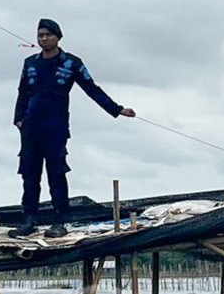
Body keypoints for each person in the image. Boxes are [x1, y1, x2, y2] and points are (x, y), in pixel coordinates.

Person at [11, 18, 135, 238]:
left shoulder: (71, 63)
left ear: (58, 37)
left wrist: (117, 109)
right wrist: (18, 119)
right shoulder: (30, 63)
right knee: (29, 175)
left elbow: (92, 89)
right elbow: (22, 93)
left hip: (55, 127)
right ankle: (29, 220)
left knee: (56, 174)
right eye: (40, 35)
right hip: (30, 128)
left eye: (48, 34)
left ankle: (60, 221)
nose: (44, 38)